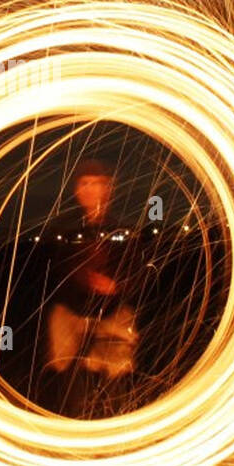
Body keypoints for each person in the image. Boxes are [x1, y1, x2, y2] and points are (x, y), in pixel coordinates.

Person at [36, 157, 151, 417]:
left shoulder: (121, 230)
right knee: (74, 387)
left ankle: (113, 431)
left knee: (114, 382)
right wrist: (85, 279)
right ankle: (77, 433)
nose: (90, 189)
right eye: (84, 183)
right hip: (73, 316)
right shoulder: (64, 229)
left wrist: (116, 285)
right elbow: (55, 268)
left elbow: (137, 271)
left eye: (97, 183)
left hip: (111, 314)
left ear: (108, 189)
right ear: (77, 190)